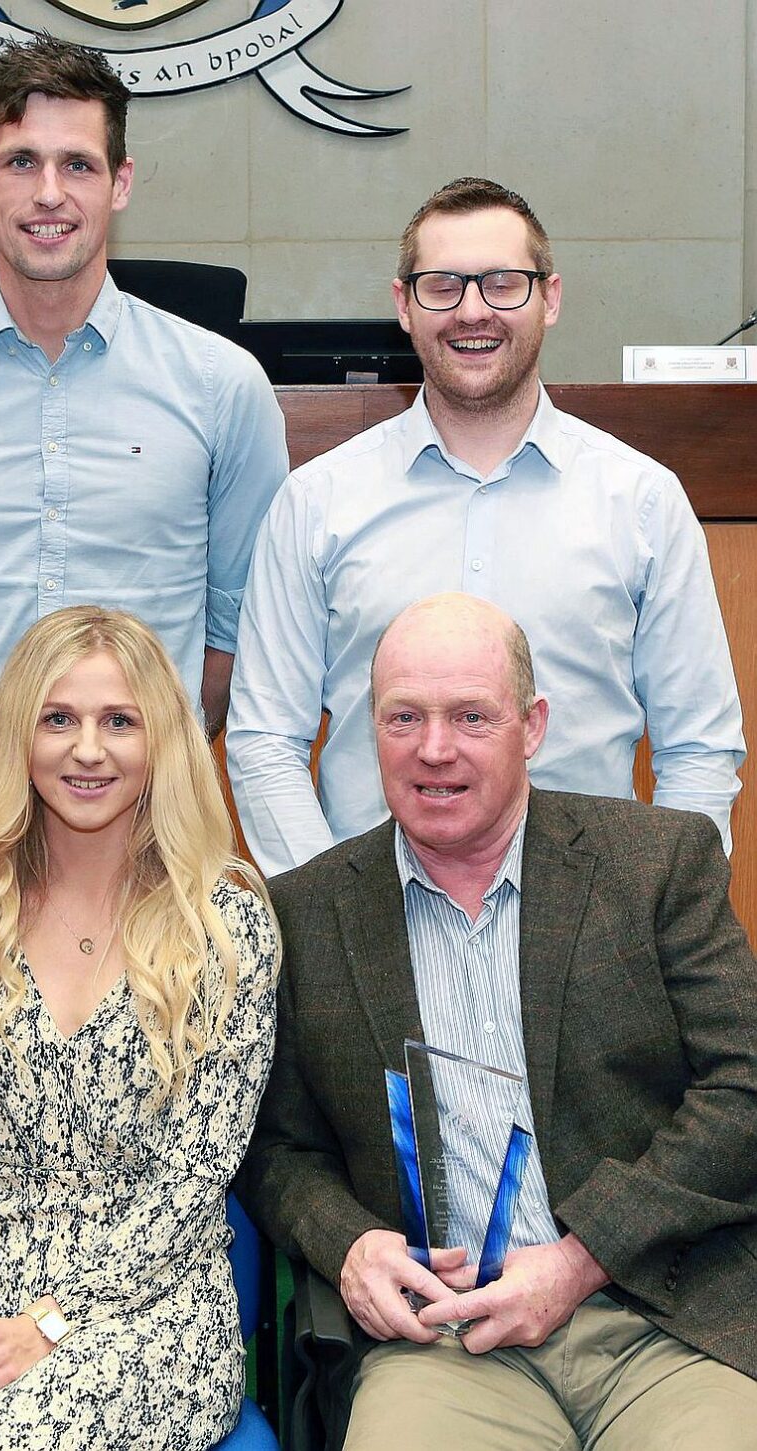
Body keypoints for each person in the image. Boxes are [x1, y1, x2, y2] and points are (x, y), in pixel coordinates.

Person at [239, 593, 757, 1451]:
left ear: (532, 724)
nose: (433, 748)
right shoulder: (306, 912)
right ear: (371, 728)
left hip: (662, 1314)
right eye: (405, 716)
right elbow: (276, 1147)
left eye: (470, 716)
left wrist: (581, 1256)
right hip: (441, 1343)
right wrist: (351, 1244)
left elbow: (745, 1088)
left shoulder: (656, 863)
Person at [0, 36, 288, 955]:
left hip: (156, 871)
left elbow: (235, 638)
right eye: (22, 162)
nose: (49, 193)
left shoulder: (222, 389)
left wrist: (118, 768)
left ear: (121, 182)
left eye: (78, 163)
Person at [0, 606, 279, 1450]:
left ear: (163, 742)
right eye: (58, 719)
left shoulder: (228, 925)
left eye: (119, 721)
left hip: (153, 1312)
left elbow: (191, 1181)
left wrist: (52, 1323)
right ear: (18, 737)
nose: (87, 749)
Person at [227, 176, 743, 878]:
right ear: (403, 306)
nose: (473, 311)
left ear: (550, 298)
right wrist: (332, 917)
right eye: (442, 286)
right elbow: (265, 742)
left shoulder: (642, 501)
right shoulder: (316, 503)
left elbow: (699, 749)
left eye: (504, 283)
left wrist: (651, 909)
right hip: (375, 930)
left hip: (590, 929)